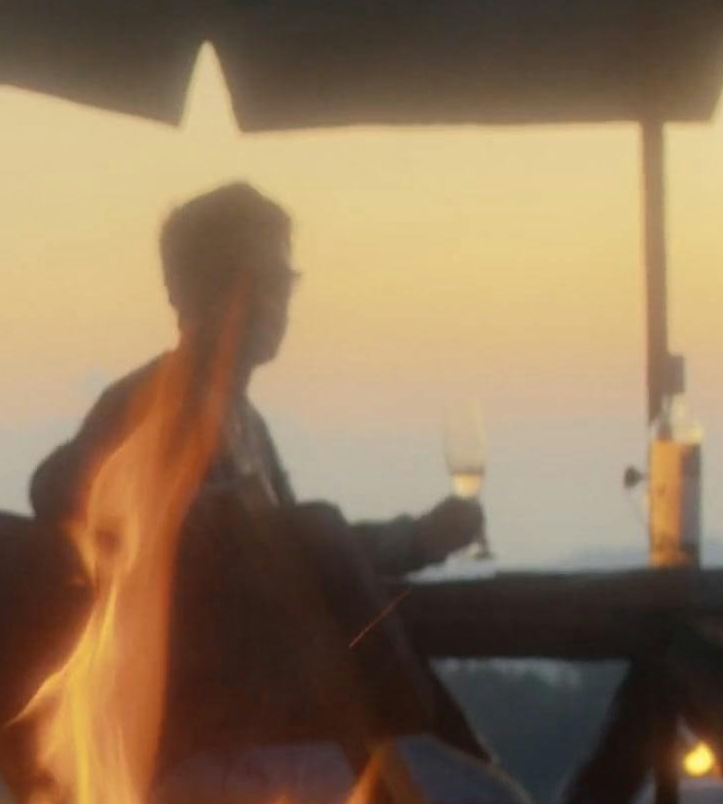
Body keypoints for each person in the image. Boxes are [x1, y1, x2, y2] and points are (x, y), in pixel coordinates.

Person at [31, 182, 485, 575]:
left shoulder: (243, 420)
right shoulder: (153, 406)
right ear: (187, 293)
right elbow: (53, 487)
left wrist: (419, 540)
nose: (270, 302)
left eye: (280, 282)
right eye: (249, 281)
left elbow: (293, 550)